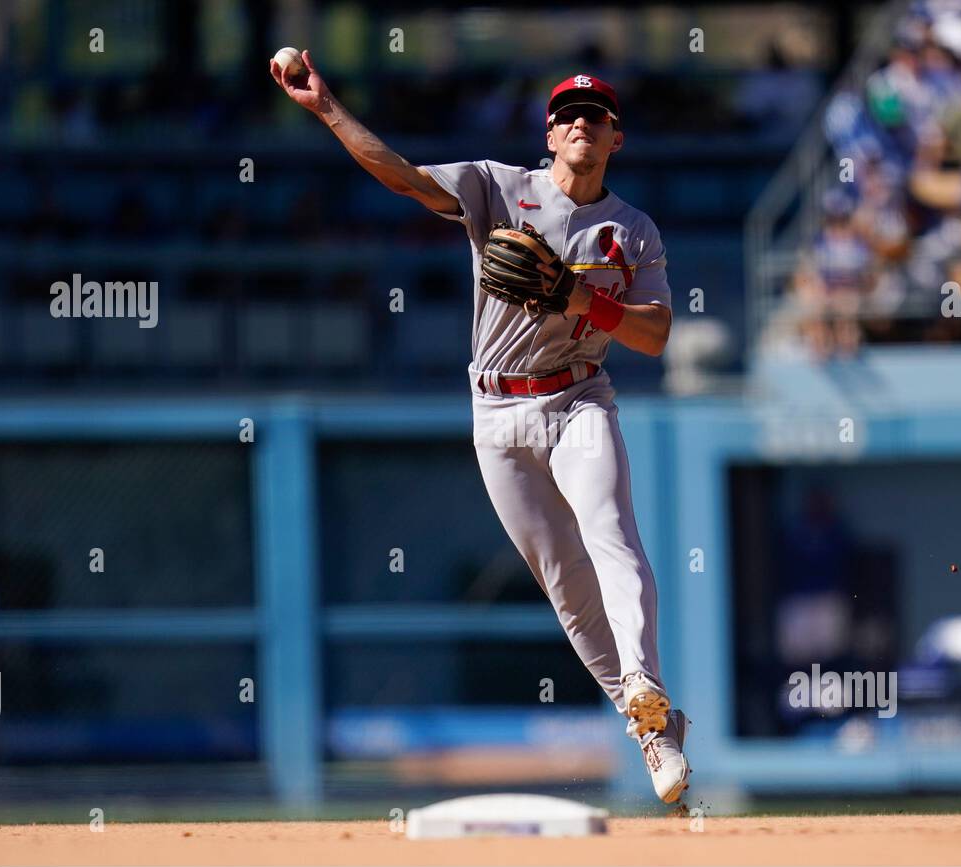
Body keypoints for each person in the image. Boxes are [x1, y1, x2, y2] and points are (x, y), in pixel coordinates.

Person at [270, 54, 689, 802]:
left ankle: (648, 700)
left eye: (595, 116)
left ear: (616, 139)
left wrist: (580, 300)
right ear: (549, 133)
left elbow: (655, 334)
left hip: (578, 399)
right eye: (566, 114)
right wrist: (328, 108)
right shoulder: (500, 187)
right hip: (496, 412)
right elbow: (401, 176)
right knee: (566, 589)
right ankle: (649, 721)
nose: (579, 124)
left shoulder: (632, 230)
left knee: (610, 533)